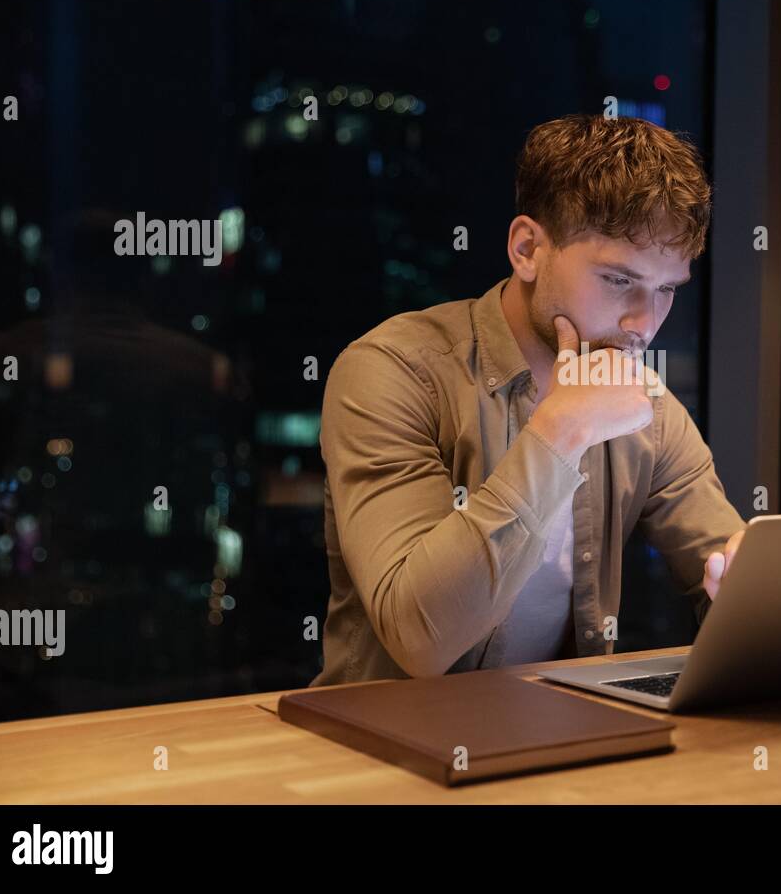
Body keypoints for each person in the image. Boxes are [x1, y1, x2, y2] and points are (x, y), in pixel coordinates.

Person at [312, 114, 747, 684]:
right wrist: (560, 431)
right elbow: (418, 638)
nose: (644, 322)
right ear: (526, 249)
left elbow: (730, 574)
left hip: (558, 741)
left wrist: (755, 591)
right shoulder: (392, 371)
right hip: (382, 748)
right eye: (618, 281)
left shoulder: (646, 408)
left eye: (666, 289)